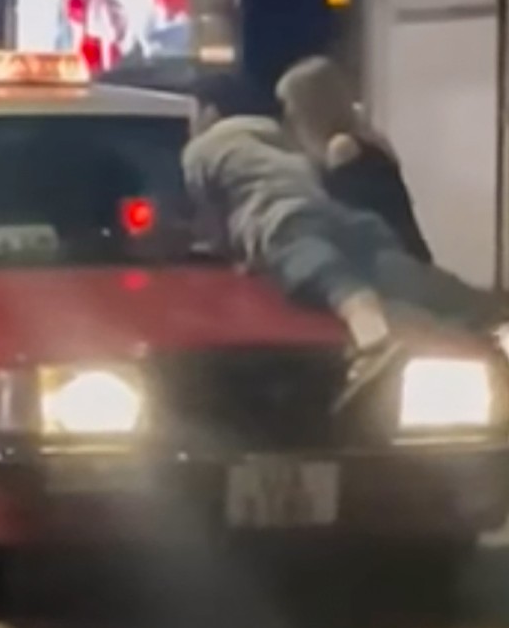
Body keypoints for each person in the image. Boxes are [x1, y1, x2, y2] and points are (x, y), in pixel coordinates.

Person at [183, 73, 503, 404]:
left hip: (283, 221)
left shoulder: (201, 150)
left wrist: (229, 251)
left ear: (209, 112)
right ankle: (485, 312)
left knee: (330, 279)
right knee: (399, 274)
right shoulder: (277, 138)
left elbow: (213, 220)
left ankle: (373, 341)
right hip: (340, 217)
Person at [276, 56, 432, 264]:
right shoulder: (367, 138)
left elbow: (345, 221)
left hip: (391, 265)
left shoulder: (342, 148)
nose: (289, 114)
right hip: (406, 260)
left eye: (291, 104)